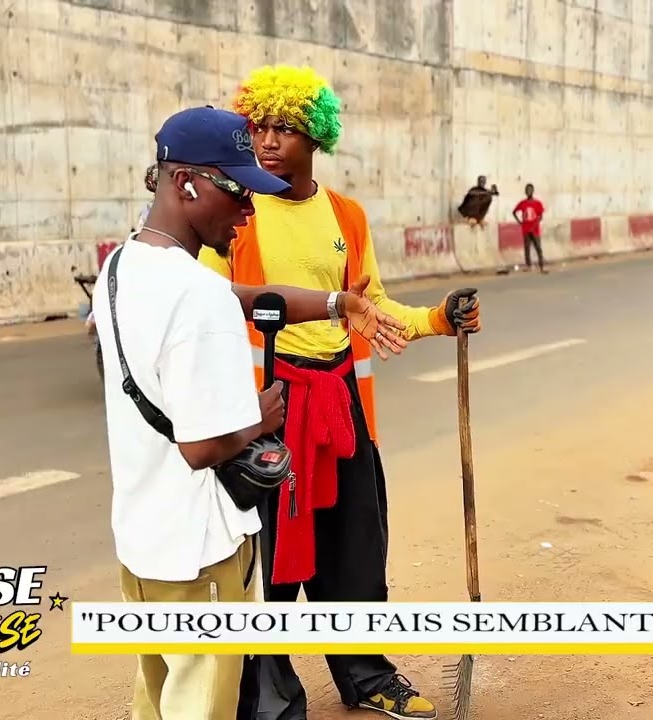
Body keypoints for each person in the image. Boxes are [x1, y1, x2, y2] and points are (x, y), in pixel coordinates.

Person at [91, 105, 410, 720]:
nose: (249, 210)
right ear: (187, 184)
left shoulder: (122, 266)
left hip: (142, 541)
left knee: (156, 696)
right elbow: (203, 446)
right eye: (239, 193)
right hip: (201, 549)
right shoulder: (198, 296)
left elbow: (248, 298)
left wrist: (337, 301)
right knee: (204, 705)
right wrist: (259, 419)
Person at [200, 64, 482, 720]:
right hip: (263, 414)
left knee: (355, 550)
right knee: (267, 567)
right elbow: (211, 304)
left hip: (342, 411)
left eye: (287, 129)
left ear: (316, 137)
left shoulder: (346, 216)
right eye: (260, 126)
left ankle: (366, 675)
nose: (269, 140)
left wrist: (439, 318)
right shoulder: (237, 216)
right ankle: (266, 696)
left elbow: (370, 306)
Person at [513, 183, 547, 273]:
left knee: (538, 247)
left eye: (530, 190)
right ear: (525, 192)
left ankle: (541, 266)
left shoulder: (537, 203)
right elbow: (514, 212)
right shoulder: (523, 203)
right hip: (525, 229)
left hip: (535, 229)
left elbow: (540, 216)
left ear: (533, 191)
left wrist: (535, 224)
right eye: (527, 190)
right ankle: (528, 265)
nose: (528, 192)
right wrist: (520, 222)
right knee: (527, 247)